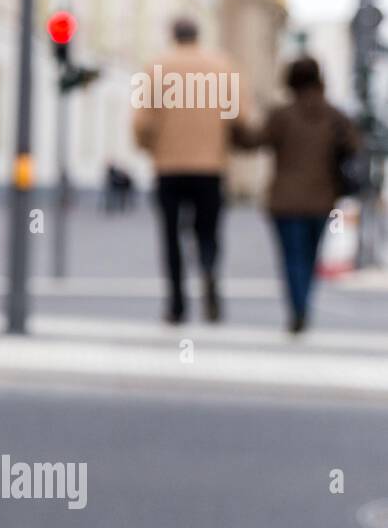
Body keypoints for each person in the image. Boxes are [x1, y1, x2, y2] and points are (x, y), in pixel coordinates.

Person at [234, 57, 360, 334]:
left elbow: (253, 141)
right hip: (321, 199)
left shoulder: (282, 115)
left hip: (285, 200)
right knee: (310, 257)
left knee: (292, 257)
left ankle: (298, 308)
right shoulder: (334, 116)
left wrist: (233, 122)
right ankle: (303, 306)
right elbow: (354, 147)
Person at [133, 18, 242, 325]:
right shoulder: (222, 67)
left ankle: (177, 304)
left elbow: (142, 123)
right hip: (210, 167)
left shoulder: (157, 67)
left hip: (168, 167)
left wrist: (150, 147)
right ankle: (208, 269)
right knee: (208, 232)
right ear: (198, 35)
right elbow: (240, 116)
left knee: (170, 236)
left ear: (173, 36)